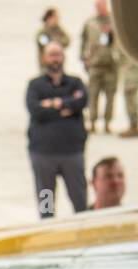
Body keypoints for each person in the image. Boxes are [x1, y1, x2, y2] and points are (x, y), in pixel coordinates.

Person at [26, 42, 88, 217]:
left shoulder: (75, 82)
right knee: (46, 204)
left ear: (64, 57)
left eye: (58, 54)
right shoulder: (35, 85)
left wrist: (52, 103)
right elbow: (35, 109)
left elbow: (82, 101)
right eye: (51, 54)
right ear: (44, 58)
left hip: (72, 154)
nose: (55, 58)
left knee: (80, 201)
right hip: (44, 155)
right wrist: (66, 104)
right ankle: (47, 230)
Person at [80, 0, 118, 133]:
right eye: (97, 6)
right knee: (92, 95)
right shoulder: (90, 23)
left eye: (101, 6)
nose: (99, 8)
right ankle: (92, 122)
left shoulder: (115, 22)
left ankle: (107, 123)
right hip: (95, 65)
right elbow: (83, 40)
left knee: (110, 96)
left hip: (111, 66)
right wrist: (83, 57)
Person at [113, 37, 138, 138]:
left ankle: (134, 126)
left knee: (130, 93)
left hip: (132, 66)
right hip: (126, 66)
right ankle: (133, 125)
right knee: (128, 95)